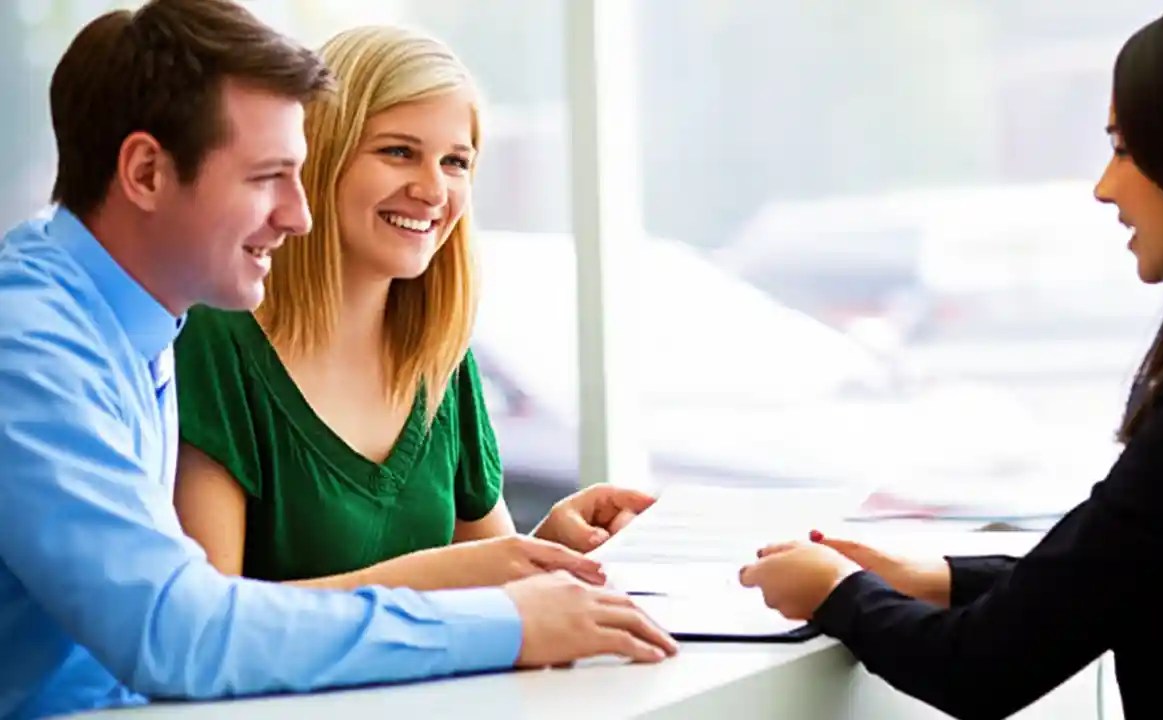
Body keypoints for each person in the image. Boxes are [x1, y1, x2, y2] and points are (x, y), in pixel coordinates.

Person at [0, 2, 674, 718]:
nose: (299, 215)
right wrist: (501, 620)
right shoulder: (31, 346)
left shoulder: (137, 325)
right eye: (266, 177)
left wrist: (533, 572)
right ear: (146, 173)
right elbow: (180, 633)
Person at [739, 3, 1163, 718]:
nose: (1104, 187)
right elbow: (1127, 563)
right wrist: (937, 577)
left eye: (1124, 149)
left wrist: (835, 592)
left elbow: (980, 665)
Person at [169, 24, 653, 592]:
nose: (432, 190)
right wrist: (431, 580)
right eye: (399, 152)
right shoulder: (214, 340)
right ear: (319, 157)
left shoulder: (441, 356)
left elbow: (487, 578)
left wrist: (554, 550)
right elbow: (208, 617)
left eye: (455, 162)